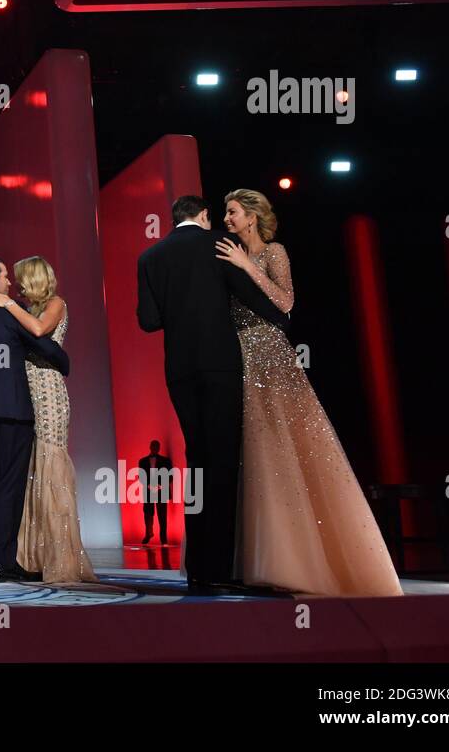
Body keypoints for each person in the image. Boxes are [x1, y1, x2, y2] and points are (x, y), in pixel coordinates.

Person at [217, 189, 402, 596]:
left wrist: (248, 265)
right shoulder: (224, 256)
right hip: (239, 355)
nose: (226, 219)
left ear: (251, 217)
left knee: (288, 445)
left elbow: (286, 303)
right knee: (252, 450)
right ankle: (249, 557)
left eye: (231, 212)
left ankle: (301, 560)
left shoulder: (274, 252)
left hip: (272, 355)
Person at [136, 194, 288, 591]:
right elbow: (253, 297)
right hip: (221, 364)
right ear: (203, 216)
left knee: (197, 461)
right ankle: (216, 569)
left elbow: (148, 321)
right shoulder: (219, 243)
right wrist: (280, 316)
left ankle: (198, 569)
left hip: (180, 370)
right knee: (221, 462)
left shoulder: (149, 258)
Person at [0, 255, 98, 583]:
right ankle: (27, 556)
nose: (16, 286)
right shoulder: (24, 307)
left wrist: (7, 305)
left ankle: (59, 557)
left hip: (47, 391)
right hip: (24, 390)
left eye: (21, 279)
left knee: (50, 464)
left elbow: (38, 330)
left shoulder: (56, 304)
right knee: (28, 469)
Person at [0, 256, 72, 582]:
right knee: (8, 487)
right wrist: (64, 360)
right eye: (5, 276)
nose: (11, 283)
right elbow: (44, 343)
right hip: (12, 410)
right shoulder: (7, 310)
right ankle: (1, 562)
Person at [137, 441, 173, 546]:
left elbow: (170, 476)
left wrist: (161, 485)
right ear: (150, 447)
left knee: (162, 515)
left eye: (157, 446)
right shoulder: (142, 461)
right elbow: (141, 476)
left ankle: (163, 538)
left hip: (161, 490)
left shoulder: (166, 461)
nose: (155, 448)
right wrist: (148, 485)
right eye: (154, 446)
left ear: (159, 448)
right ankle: (149, 534)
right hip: (149, 490)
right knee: (148, 513)